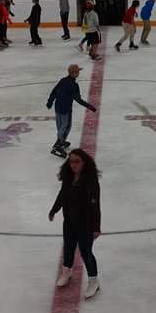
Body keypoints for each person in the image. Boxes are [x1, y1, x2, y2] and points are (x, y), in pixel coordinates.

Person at [49, 148, 102, 300]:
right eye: (71, 161)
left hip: (85, 224)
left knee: (86, 252)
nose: (73, 165)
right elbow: (62, 195)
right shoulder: (68, 177)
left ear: (84, 162)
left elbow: (96, 205)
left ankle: (94, 280)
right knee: (69, 248)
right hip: (69, 222)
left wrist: (96, 227)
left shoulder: (91, 181)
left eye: (77, 161)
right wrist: (54, 210)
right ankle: (67, 271)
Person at [47, 64, 98, 158]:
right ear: (73, 73)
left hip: (58, 107)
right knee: (66, 127)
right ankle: (57, 146)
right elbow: (78, 100)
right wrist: (90, 106)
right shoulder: (74, 85)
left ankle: (61, 142)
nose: (79, 73)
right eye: (77, 72)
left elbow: (54, 92)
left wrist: (50, 102)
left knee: (60, 126)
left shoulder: (62, 80)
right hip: (66, 109)